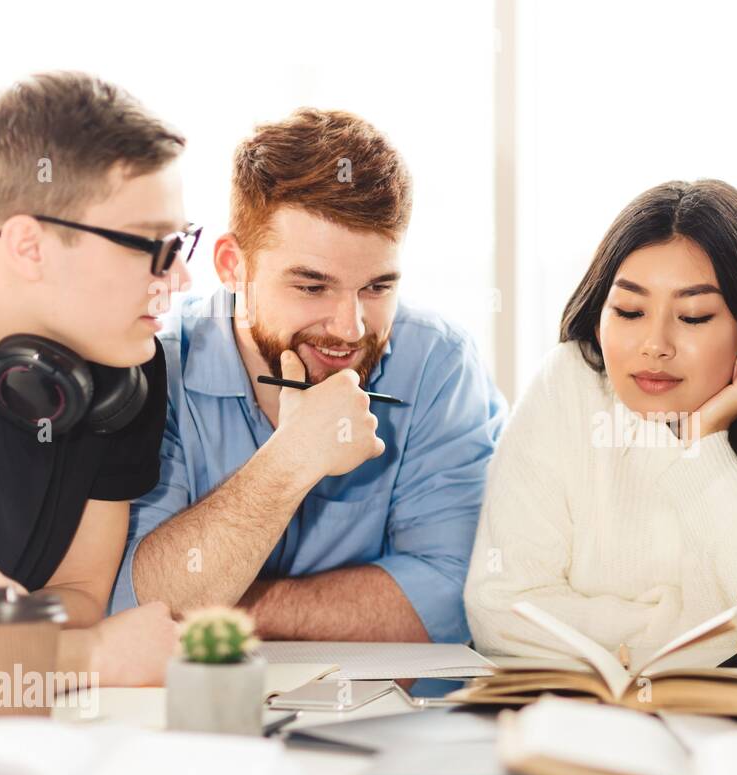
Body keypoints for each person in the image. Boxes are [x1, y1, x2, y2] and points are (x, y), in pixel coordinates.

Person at [111, 108, 505, 644]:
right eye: (312, 287)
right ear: (233, 266)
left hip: (392, 719)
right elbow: (128, 602)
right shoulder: (154, 366)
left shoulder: (438, 364)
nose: (351, 328)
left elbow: (458, 596)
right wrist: (290, 461)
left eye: (377, 287)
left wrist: (221, 604)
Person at [465, 180, 737, 663]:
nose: (655, 344)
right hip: (583, 721)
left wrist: (706, 449)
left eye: (694, 316)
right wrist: (709, 635)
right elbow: (498, 611)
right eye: (629, 311)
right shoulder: (569, 381)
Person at [0, 72, 192, 685]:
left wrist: (15, 632)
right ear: (30, 247)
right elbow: (87, 639)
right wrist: (93, 660)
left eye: (180, 242)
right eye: (148, 245)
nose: (180, 277)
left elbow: (78, 594)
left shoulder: (122, 375)